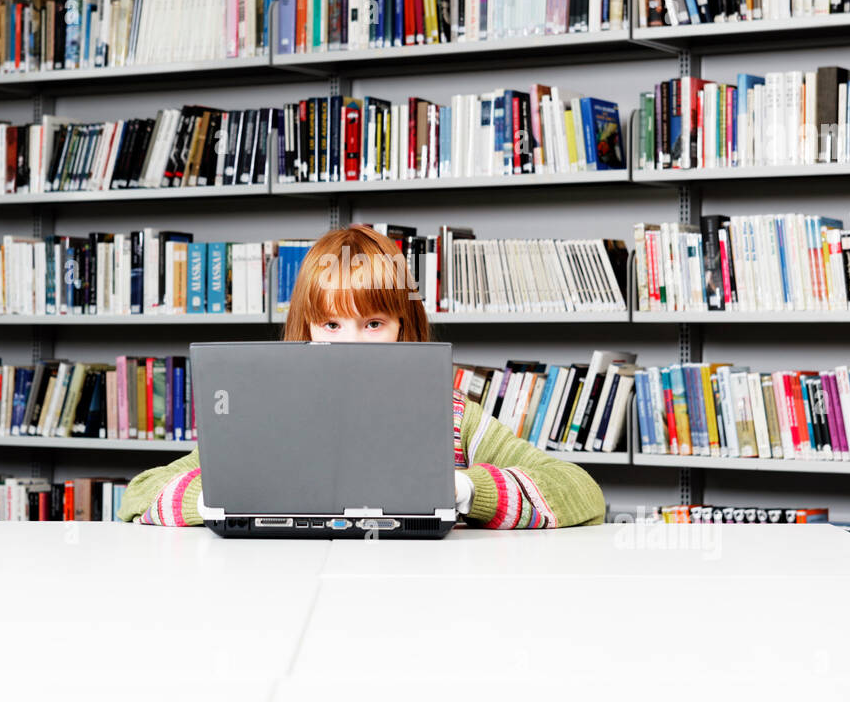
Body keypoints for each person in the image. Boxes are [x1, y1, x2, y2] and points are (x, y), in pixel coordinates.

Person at [117, 225, 606, 529]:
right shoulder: (267, 419)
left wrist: (462, 490)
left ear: (403, 329)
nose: (350, 342)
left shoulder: (450, 418)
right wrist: (217, 500)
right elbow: (138, 494)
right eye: (332, 324)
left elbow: (580, 489)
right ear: (304, 329)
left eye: (372, 324)